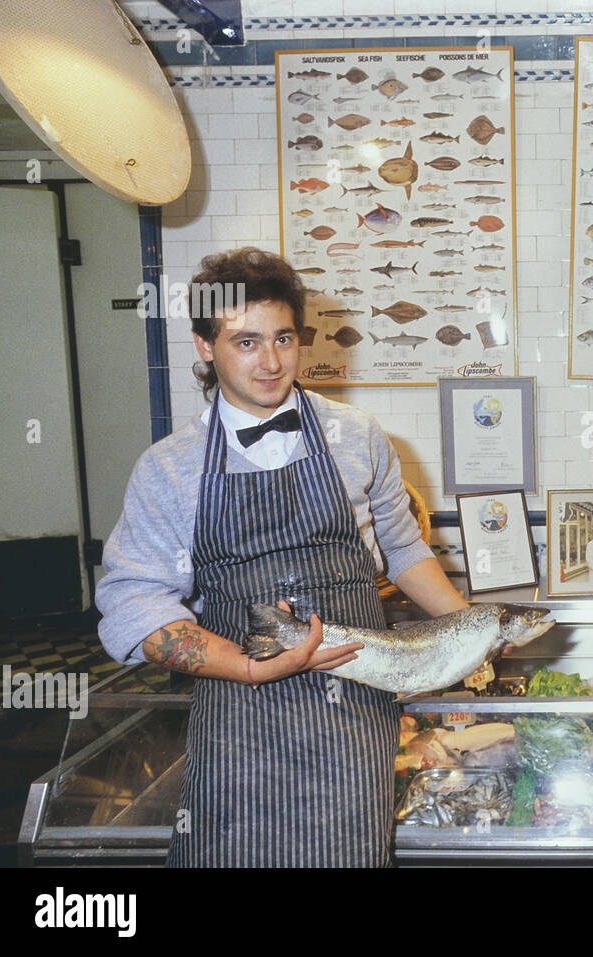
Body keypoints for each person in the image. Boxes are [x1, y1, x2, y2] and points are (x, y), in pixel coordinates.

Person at [95, 247, 469, 867]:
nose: (271, 363)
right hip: (239, 717)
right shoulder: (169, 468)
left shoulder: (358, 437)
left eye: (284, 339)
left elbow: (402, 550)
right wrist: (246, 667)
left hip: (354, 714)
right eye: (245, 343)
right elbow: (132, 602)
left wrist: (471, 631)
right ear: (204, 346)